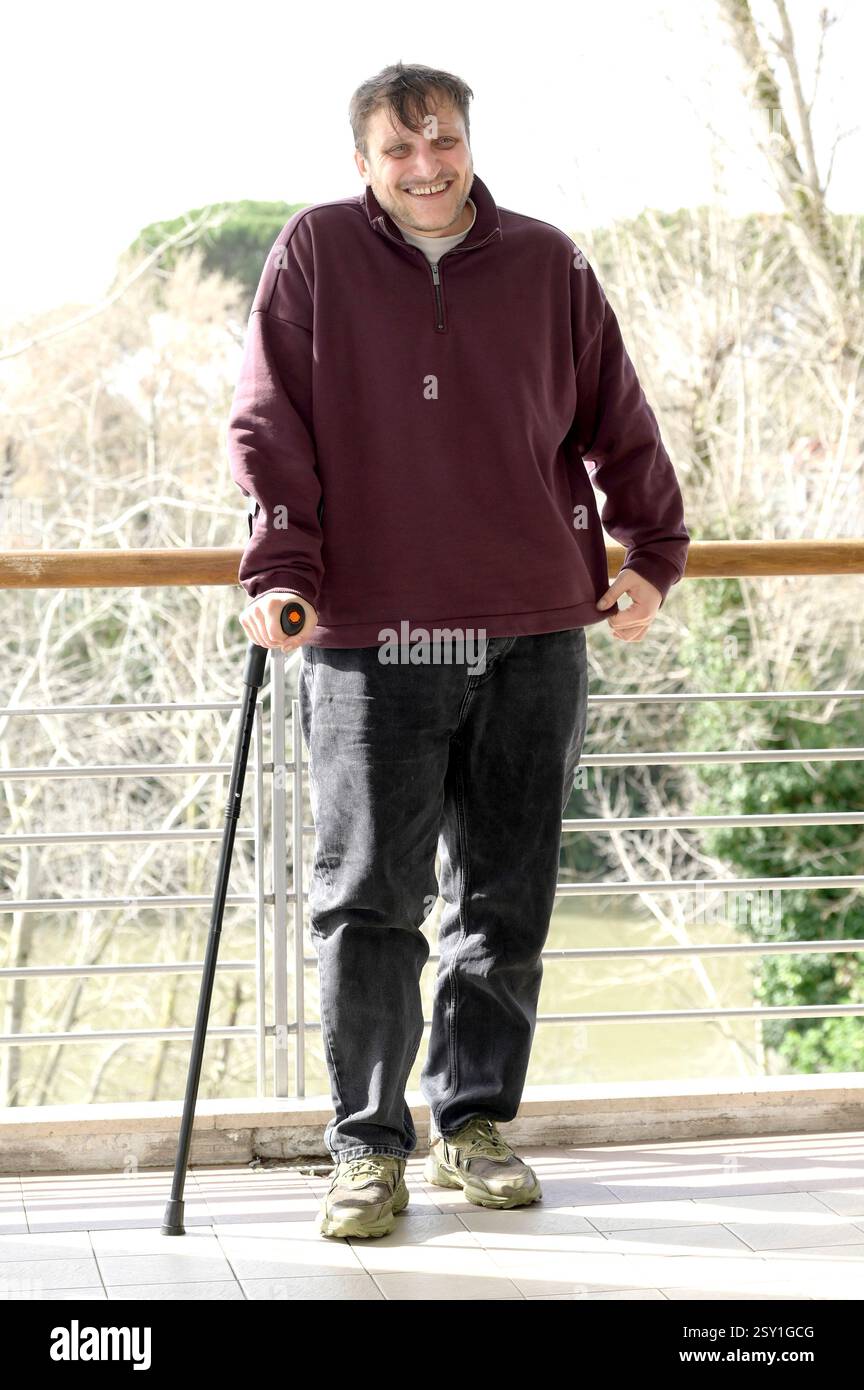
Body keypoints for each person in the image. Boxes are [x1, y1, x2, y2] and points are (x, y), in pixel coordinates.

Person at [227, 62, 690, 1241]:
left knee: (506, 895)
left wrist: (651, 549)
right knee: (371, 901)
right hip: (374, 637)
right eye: (399, 149)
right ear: (363, 162)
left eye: (442, 143)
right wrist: (280, 570)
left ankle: (474, 1122)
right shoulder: (315, 253)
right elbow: (269, 417)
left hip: (535, 624)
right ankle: (367, 1145)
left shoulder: (550, 263)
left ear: (469, 142)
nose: (425, 167)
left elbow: (617, 417)